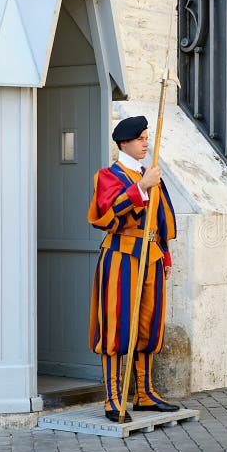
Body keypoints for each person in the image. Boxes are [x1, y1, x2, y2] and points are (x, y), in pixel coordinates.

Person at [88, 115, 179, 422]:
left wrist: (164, 255)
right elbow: (108, 215)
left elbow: (160, 221)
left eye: (145, 137)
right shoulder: (108, 176)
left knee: (148, 325)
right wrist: (140, 187)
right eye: (140, 138)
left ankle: (144, 393)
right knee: (117, 325)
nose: (145, 143)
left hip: (151, 254)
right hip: (121, 255)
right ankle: (113, 399)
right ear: (124, 142)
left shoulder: (149, 174)